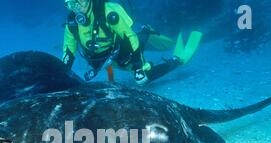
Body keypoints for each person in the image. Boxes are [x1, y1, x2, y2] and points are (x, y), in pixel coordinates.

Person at [62, 0, 203, 85]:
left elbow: (130, 37)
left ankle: (175, 60)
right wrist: (62, 73)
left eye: (80, 1)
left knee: (142, 80)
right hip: (103, 59)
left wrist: (137, 67)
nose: (77, 7)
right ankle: (145, 33)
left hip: (124, 52)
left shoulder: (108, 14)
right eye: (71, 3)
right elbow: (68, 51)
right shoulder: (72, 24)